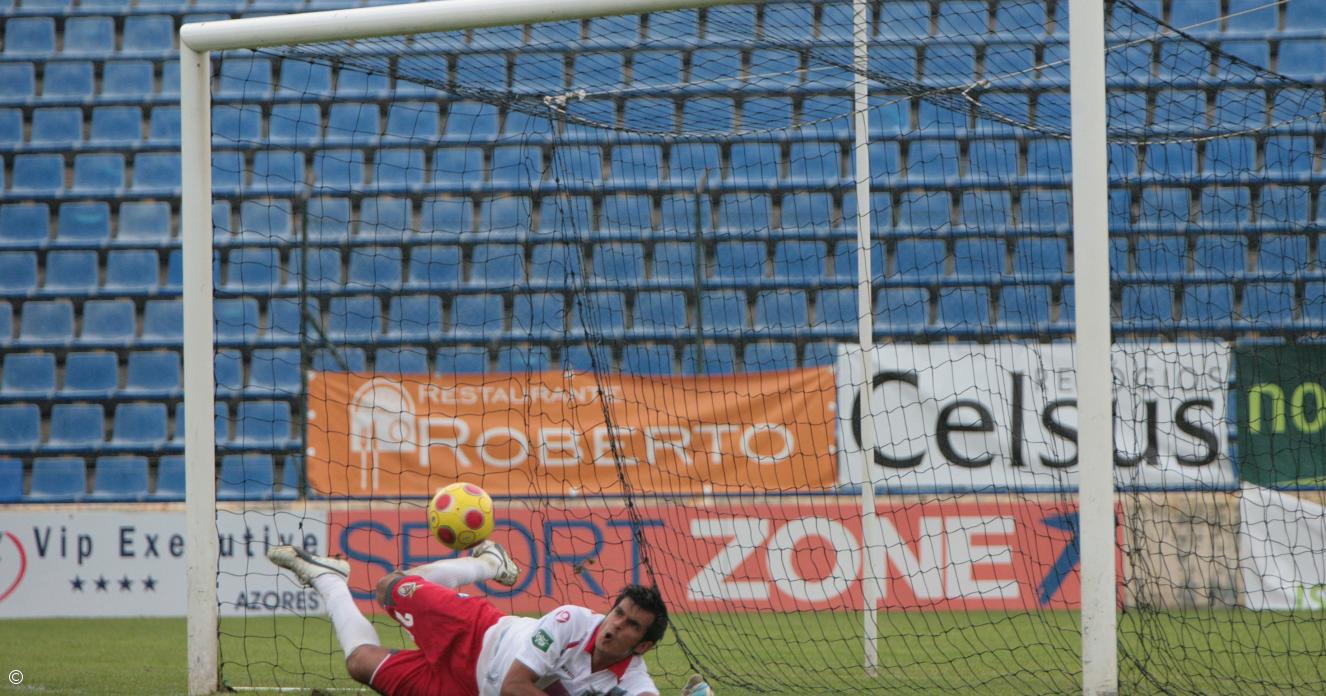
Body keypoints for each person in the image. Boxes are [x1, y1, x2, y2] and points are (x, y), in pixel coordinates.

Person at [267, 542, 710, 696]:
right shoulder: (572, 619)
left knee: (359, 664)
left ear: (643, 646)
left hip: (468, 689)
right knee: (388, 587)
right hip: (477, 632)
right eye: (618, 613)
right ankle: (487, 564)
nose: (616, 625)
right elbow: (517, 686)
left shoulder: (631, 677)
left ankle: (329, 580)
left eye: (631, 625)